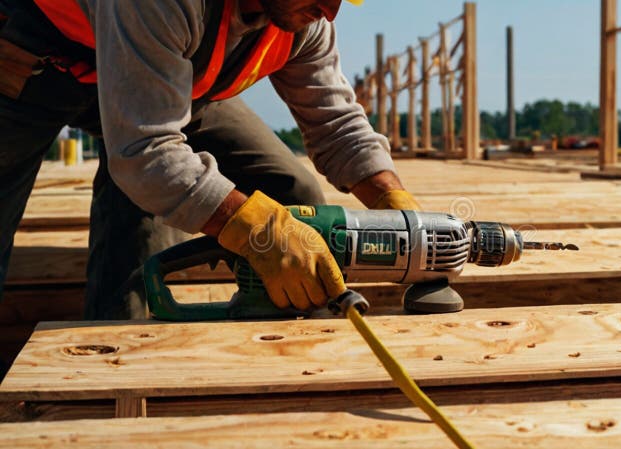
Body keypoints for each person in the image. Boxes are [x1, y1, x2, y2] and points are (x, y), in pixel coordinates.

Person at [0, 0, 422, 319]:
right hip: (35, 65)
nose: (330, 11)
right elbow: (147, 152)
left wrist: (396, 206)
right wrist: (258, 229)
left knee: (290, 191)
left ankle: (129, 344)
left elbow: (337, 126)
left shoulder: (305, 19)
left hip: (164, 85)